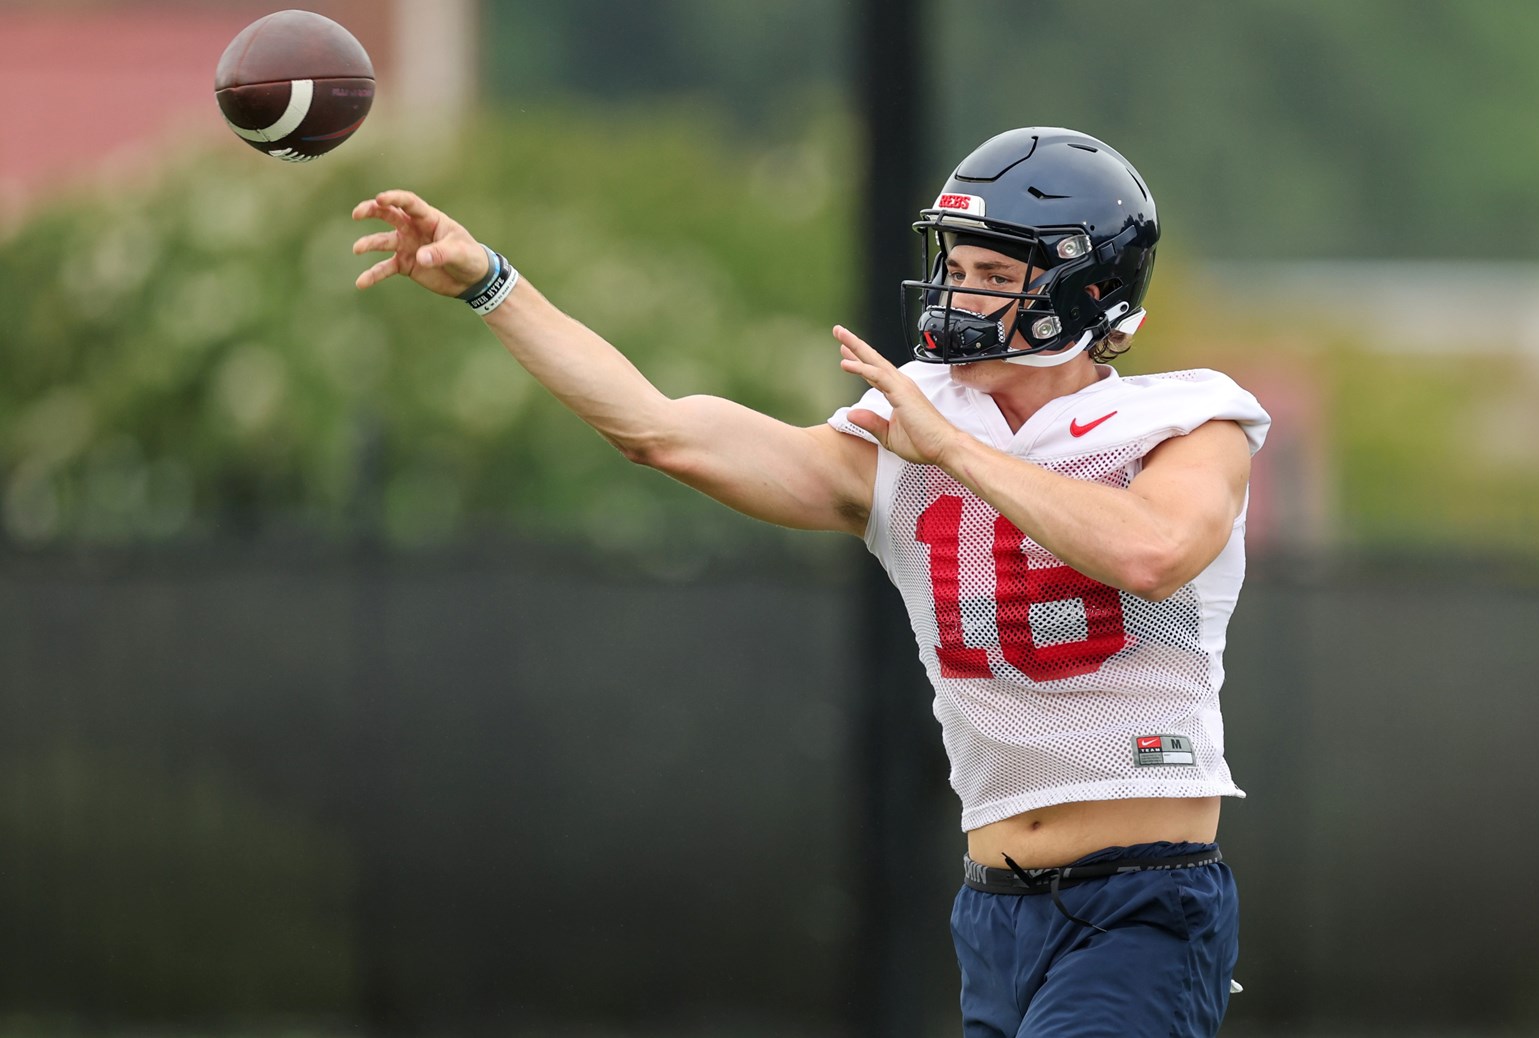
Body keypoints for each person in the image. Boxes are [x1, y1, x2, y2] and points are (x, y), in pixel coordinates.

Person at [351, 126, 1269, 1038]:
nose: (958, 293)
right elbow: (659, 431)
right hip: (992, 909)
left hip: (1143, 897)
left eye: (995, 276)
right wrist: (489, 286)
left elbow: (1153, 550)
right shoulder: (907, 432)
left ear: (1088, 289)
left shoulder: (1182, 421)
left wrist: (952, 448)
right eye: (957, 266)